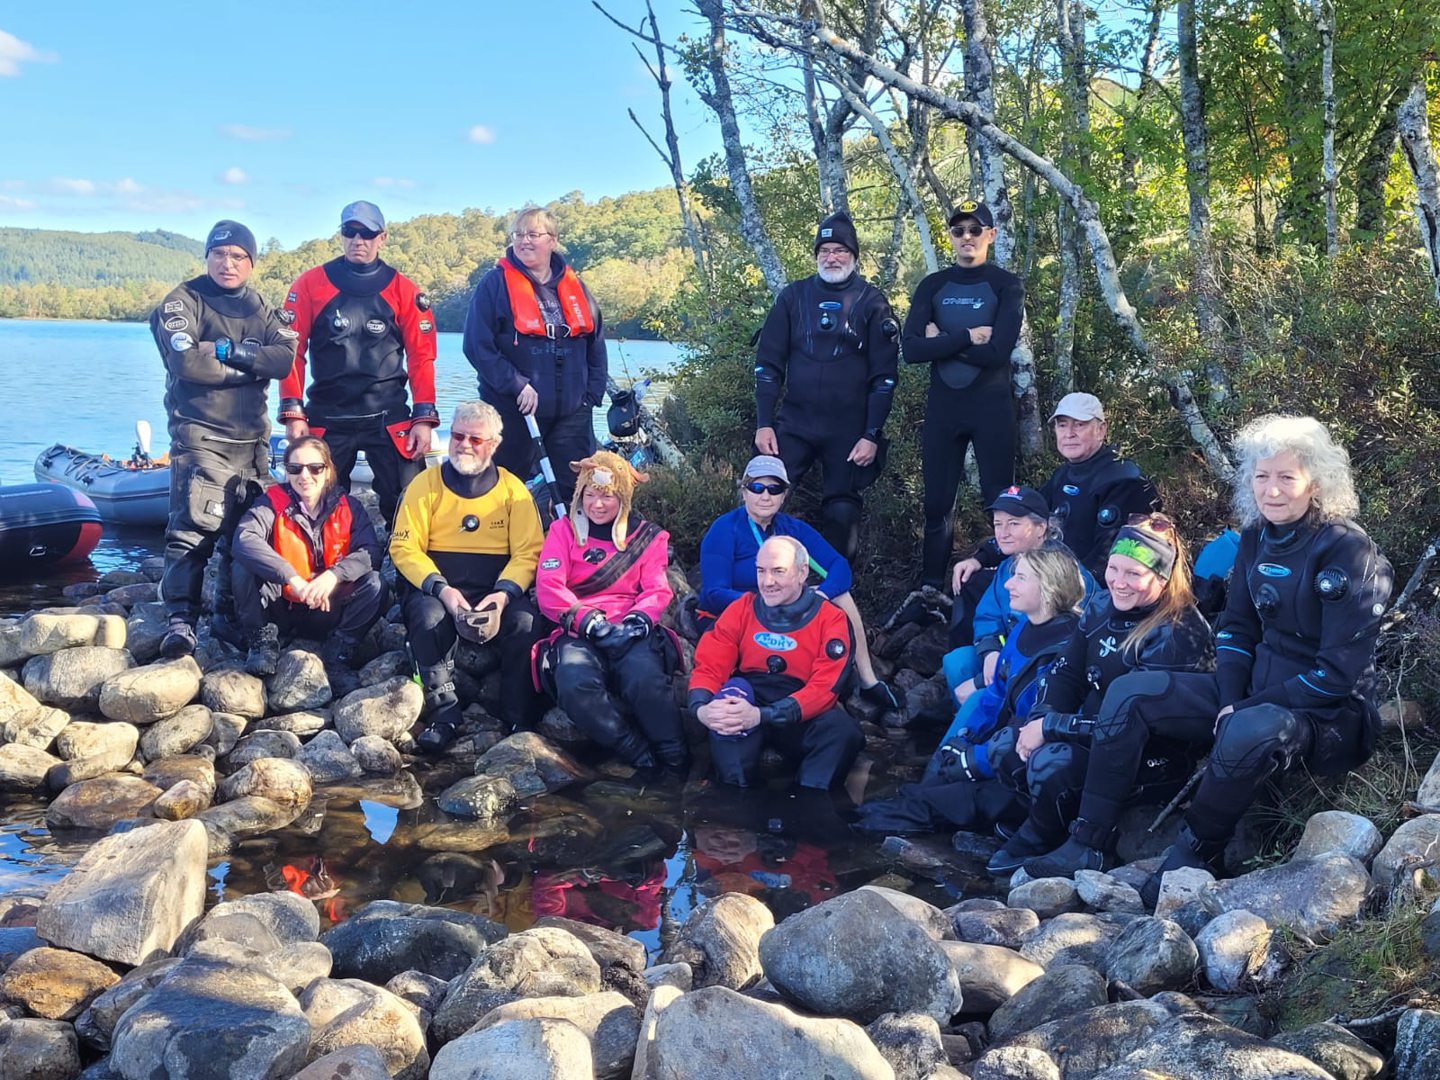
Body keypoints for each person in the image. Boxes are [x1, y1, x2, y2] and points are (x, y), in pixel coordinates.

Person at [1025, 416, 1393, 893]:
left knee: (1248, 727)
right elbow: (1237, 629)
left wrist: (1241, 708)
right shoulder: (1257, 537)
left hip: (1328, 713)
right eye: (1262, 476)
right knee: (1130, 690)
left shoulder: (1347, 552)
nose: (1272, 490)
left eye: (1287, 477)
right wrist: (1228, 694)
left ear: (1316, 483)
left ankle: (1194, 856)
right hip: (1255, 687)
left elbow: (1338, 676)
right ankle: (1089, 839)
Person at [988, 513, 1214, 877]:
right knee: (1005, 745)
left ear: (1162, 576)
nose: (1119, 584)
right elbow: (1066, 674)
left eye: (1133, 574)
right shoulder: (1098, 608)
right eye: (1113, 569)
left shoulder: (1177, 633)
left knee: (1052, 762)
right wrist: (1039, 718)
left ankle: (1055, 836)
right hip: (1091, 733)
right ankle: (1048, 818)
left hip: (1151, 756)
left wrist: (1052, 728)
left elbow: (1131, 725)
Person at [853, 544, 1085, 835]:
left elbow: (1034, 732)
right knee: (922, 789)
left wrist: (977, 761)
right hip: (999, 751)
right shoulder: (1024, 630)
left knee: (923, 807)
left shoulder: (1068, 647)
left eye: (1021, 578)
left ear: (1049, 587)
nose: (1009, 584)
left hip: (1027, 774)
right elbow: (996, 696)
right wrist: (965, 738)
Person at [149, 220, 298, 658]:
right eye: (219, 254)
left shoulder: (263, 309)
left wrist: (230, 352)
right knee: (193, 527)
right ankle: (180, 620)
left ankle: (227, 616)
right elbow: (188, 364)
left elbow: (284, 359)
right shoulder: (184, 301)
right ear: (207, 257)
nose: (228, 263)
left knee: (245, 532)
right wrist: (251, 368)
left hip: (251, 441)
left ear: (251, 262)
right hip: (200, 434)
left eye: (238, 256)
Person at [390, 400, 547, 751]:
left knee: (526, 623)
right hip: (439, 592)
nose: (464, 444)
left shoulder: (514, 491)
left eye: (476, 439)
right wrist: (442, 590)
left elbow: (529, 552)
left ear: (493, 444)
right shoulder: (424, 486)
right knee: (428, 618)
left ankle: (518, 715)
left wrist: (503, 594)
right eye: (458, 435)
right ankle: (444, 713)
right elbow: (403, 548)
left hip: (495, 592)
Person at [278, 201, 440, 525]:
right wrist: (293, 413)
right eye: (350, 232)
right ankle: (322, 568)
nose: (358, 240)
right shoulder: (309, 285)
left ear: (383, 237)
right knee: (317, 501)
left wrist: (423, 417)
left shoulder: (404, 290)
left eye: (367, 233)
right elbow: (291, 350)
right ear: (341, 235)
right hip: (329, 412)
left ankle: (407, 570)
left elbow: (422, 356)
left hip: (388, 413)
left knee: (410, 499)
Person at [697, 455, 900, 712]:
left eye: (775, 488)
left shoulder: (793, 528)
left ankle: (868, 679)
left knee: (841, 596)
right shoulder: (724, 529)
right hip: (740, 615)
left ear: (784, 495)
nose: (765, 496)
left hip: (788, 612)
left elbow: (839, 567)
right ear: (744, 491)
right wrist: (765, 601)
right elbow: (713, 593)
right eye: (757, 487)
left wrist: (821, 595)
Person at [752, 211, 900, 561]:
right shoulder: (793, 297)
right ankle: (758, 581)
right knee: (761, 495)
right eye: (825, 250)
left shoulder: (872, 302)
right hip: (795, 424)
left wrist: (872, 434)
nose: (831, 257)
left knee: (842, 513)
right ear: (816, 255)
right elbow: (768, 365)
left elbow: (885, 377)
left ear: (854, 255)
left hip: (849, 432)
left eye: (840, 250)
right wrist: (763, 422)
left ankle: (834, 598)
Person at [534, 450, 687, 772]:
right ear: (580, 495)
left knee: (645, 680)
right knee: (575, 684)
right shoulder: (563, 531)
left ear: (624, 499)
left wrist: (637, 623)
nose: (597, 505)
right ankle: (634, 751)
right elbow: (549, 586)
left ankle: (675, 757)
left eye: (607, 497)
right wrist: (589, 622)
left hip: (630, 628)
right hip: (580, 629)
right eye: (590, 495)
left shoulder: (650, 537)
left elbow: (657, 589)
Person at [903, 199, 1025, 590]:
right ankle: (930, 589)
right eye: (959, 231)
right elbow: (911, 350)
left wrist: (941, 340)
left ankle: (1003, 586)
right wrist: (968, 336)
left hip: (991, 409)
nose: (967, 237)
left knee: (1000, 506)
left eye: (976, 230)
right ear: (951, 237)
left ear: (991, 234)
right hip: (945, 410)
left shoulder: (1006, 285)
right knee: (937, 504)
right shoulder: (933, 286)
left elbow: (997, 353)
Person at [689, 536, 865, 790]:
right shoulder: (742, 609)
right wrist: (701, 709)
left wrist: (764, 716)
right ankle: (733, 803)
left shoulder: (831, 619)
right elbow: (709, 665)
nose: (767, 582)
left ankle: (808, 805)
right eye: (761, 571)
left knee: (844, 733)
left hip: (801, 710)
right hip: (749, 699)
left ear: (802, 572)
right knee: (728, 703)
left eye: (778, 571)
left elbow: (825, 689)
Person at [463, 207, 607, 508]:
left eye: (533, 234)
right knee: (502, 485)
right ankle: (495, 548)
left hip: (570, 412)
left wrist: (592, 395)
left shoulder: (575, 286)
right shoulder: (494, 284)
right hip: (514, 408)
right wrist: (516, 385)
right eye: (518, 234)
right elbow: (477, 346)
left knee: (575, 488)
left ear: (552, 240)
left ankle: (568, 547)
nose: (524, 241)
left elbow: (596, 343)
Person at [230, 436, 385, 675]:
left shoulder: (350, 506)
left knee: (375, 584)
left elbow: (370, 552)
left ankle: (339, 650)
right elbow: (244, 538)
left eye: (315, 468)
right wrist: (291, 578)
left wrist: (334, 576)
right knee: (243, 566)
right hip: (282, 606)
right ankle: (262, 643)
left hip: (328, 609)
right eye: (295, 468)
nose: (304, 476)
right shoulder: (270, 503)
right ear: (287, 471)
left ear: (328, 471)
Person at [944, 486, 1097, 695]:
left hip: (1044, 675)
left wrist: (987, 679)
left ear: (1041, 527)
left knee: (973, 694)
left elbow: (1055, 647)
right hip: (1008, 658)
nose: (1003, 533)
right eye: (998, 524)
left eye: (1013, 524)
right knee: (957, 662)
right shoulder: (1009, 566)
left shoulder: (1063, 573)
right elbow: (988, 616)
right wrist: (990, 652)